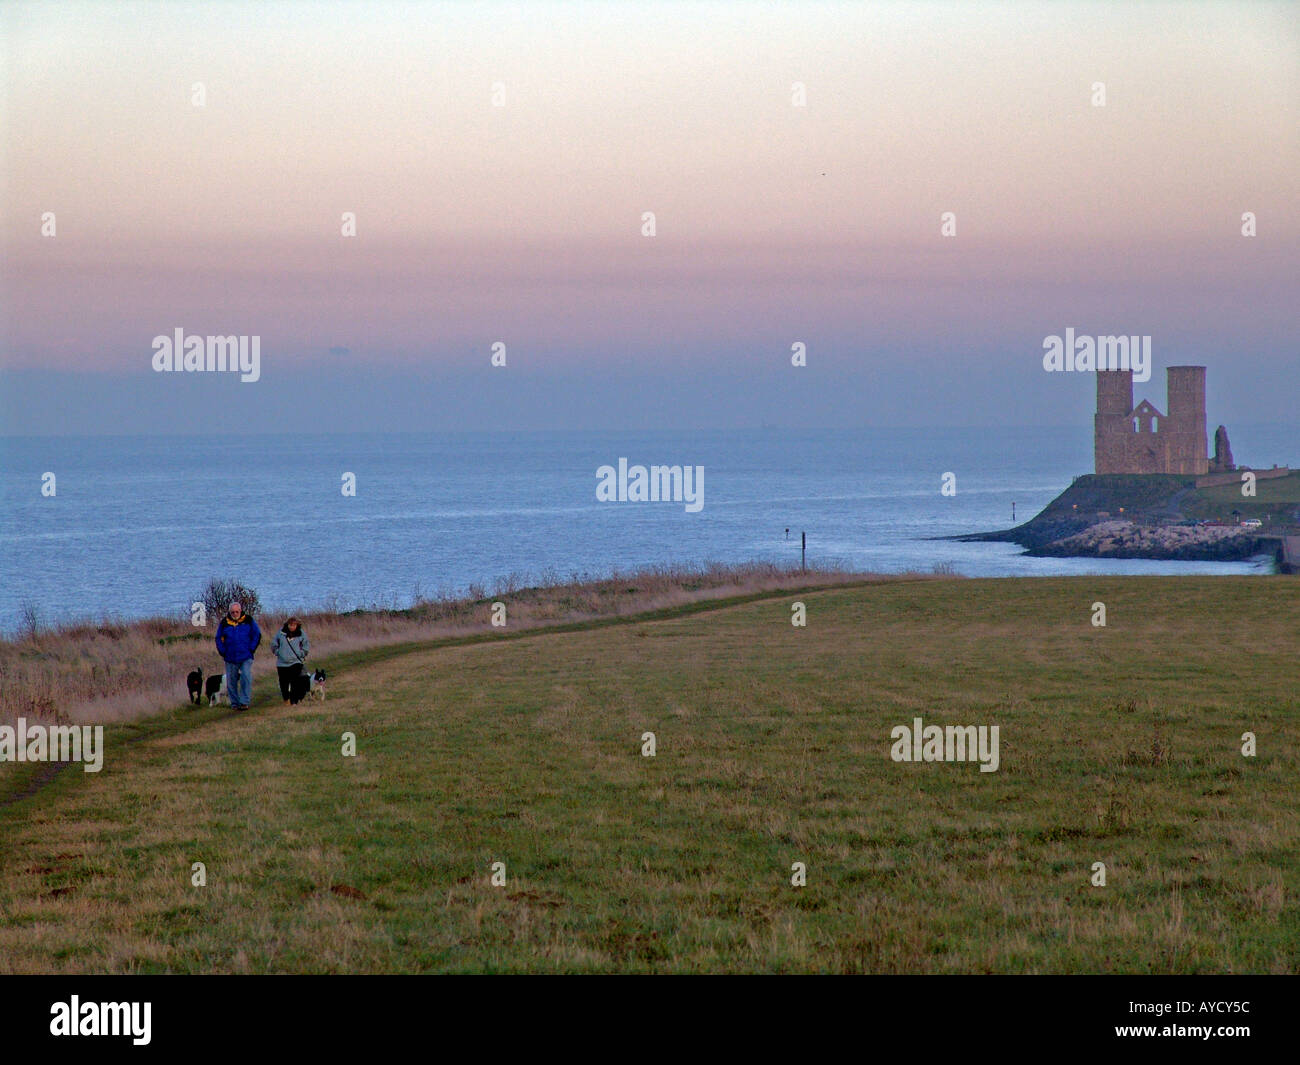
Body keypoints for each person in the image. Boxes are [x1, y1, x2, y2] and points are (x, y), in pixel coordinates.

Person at [215, 600, 261, 712]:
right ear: (230, 612)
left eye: (237, 612)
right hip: (230, 657)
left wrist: (251, 649)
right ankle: (234, 703)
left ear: (240, 611)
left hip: (246, 655)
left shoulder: (248, 620)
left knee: (246, 677)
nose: (235, 614)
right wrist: (223, 651)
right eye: (233, 612)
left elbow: (257, 635)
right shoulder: (224, 622)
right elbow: (218, 638)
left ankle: (244, 702)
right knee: (231, 681)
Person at [272, 617, 310, 705]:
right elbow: (274, 644)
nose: (291, 627)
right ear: (287, 624)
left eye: (294, 625)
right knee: (283, 683)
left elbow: (306, 646)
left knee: (295, 682)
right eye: (290, 625)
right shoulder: (281, 633)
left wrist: (301, 653)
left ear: (297, 625)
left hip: (296, 662)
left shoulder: (301, 634)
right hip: (282, 663)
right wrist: (278, 652)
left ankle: (294, 701)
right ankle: (286, 699)